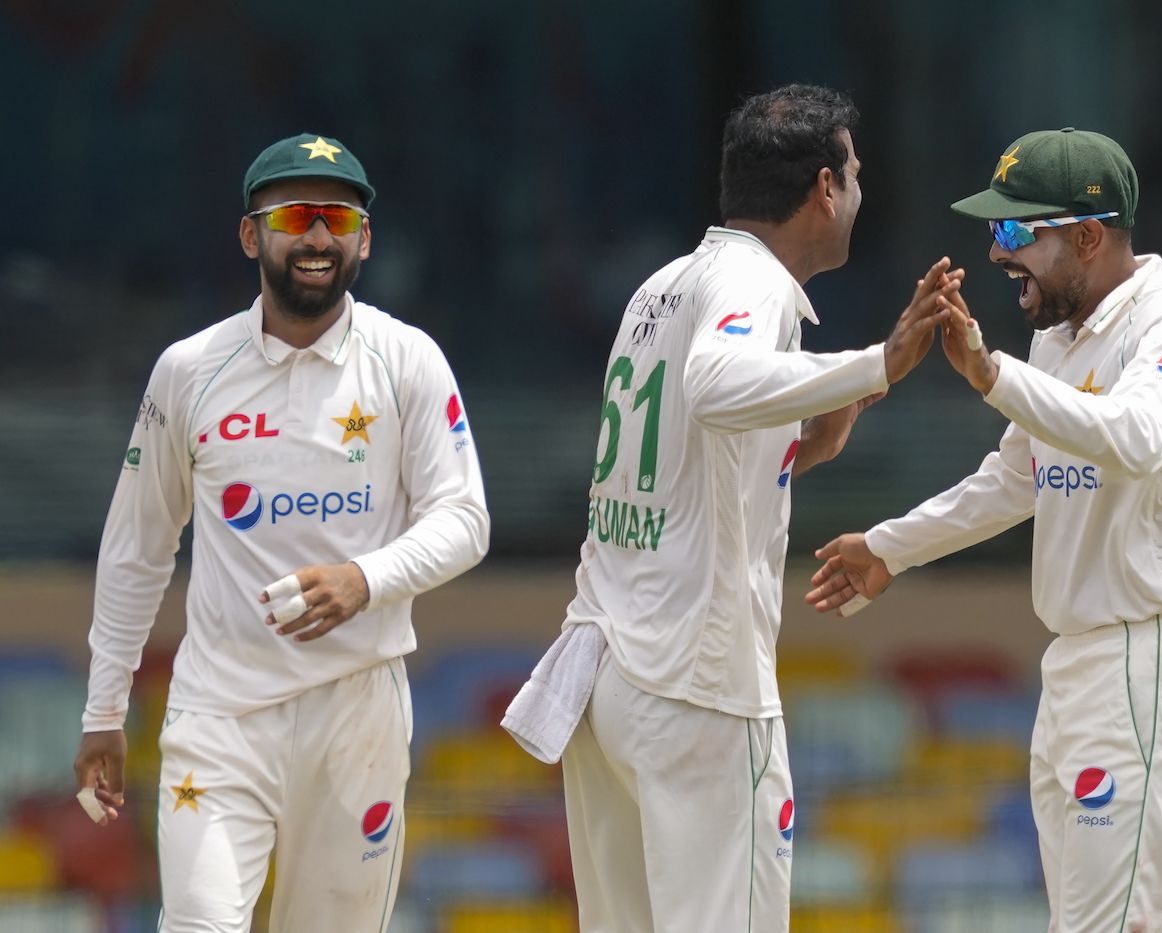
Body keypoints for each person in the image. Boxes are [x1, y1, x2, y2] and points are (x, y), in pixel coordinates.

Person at [503, 85, 955, 933]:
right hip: (696, 686)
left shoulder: (662, 286)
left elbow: (694, 454)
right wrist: (878, 363)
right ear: (825, 187)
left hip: (611, 674)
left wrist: (811, 441)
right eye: (855, 174)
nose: (859, 194)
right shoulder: (758, 285)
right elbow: (716, 383)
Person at [805, 127, 1162, 933]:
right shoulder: (1058, 339)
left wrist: (991, 374)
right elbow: (1015, 477)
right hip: (1083, 661)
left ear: (1088, 236)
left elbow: (1137, 437)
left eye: (1019, 233)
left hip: (1155, 654)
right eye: (994, 232)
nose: (997, 253)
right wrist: (890, 547)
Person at [72, 132, 490, 933]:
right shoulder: (189, 370)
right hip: (220, 713)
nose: (318, 237)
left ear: (365, 239)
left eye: (338, 218)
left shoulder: (408, 361)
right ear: (251, 234)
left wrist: (364, 579)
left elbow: (466, 519)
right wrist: (103, 709)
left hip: (357, 713)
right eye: (295, 215)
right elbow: (137, 545)